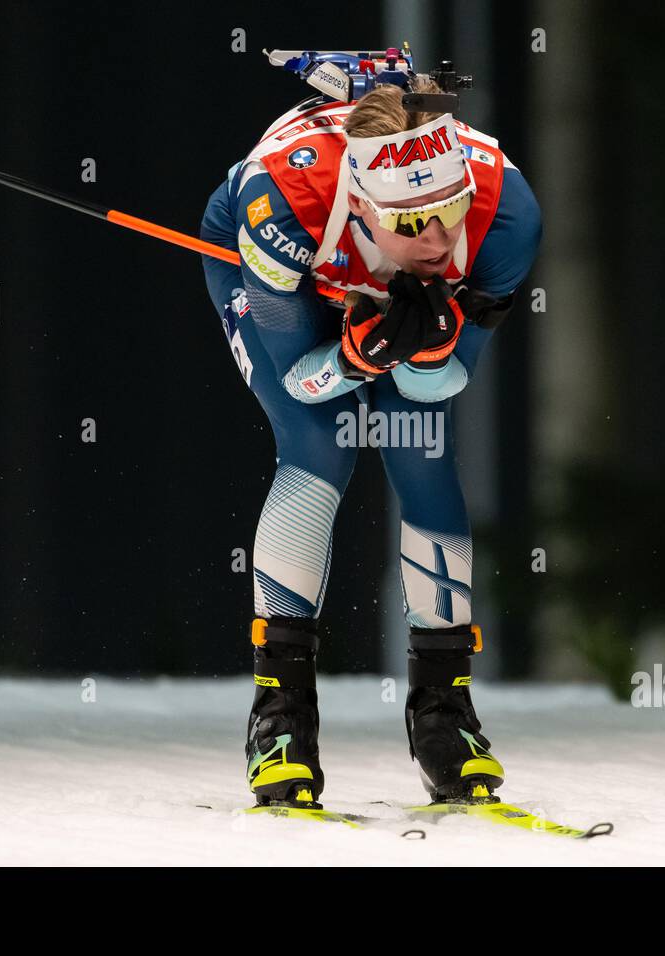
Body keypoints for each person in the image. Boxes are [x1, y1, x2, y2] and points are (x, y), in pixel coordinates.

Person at [199, 74, 542, 807]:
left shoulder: (506, 215)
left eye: (447, 211)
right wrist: (353, 357)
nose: (440, 240)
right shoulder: (281, 209)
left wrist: (420, 353)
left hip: (348, 266)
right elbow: (301, 383)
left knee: (420, 448)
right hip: (275, 264)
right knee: (319, 449)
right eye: (411, 224)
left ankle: (445, 714)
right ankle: (281, 715)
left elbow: (437, 390)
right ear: (362, 204)